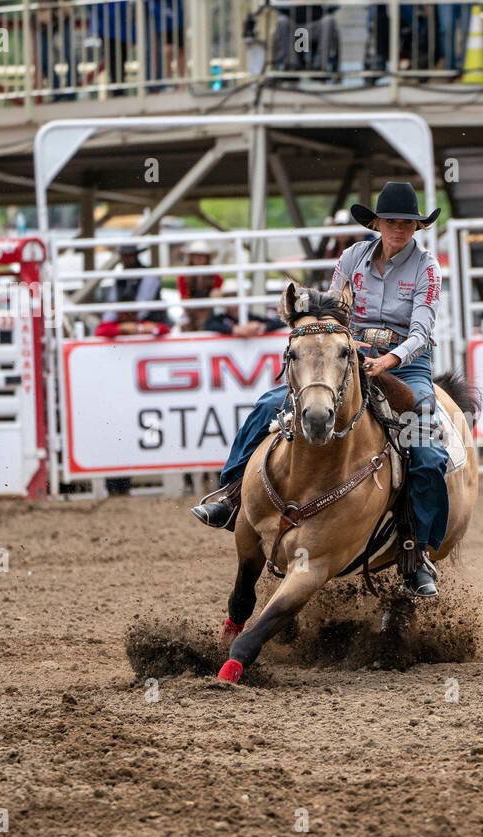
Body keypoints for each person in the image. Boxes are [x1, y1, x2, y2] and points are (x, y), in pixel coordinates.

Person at [192, 181, 448, 598]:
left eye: (407, 223)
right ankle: (232, 493)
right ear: (378, 223)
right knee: (267, 407)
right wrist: (333, 339)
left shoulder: (427, 269)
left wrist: (388, 360)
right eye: (392, 221)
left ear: (417, 228)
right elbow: (336, 310)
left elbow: (422, 330)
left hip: (407, 366)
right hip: (346, 357)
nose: (399, 229)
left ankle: (416, 551)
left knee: (427, 451)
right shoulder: (352, 258)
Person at [100, 244, 166, 327]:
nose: (126, 259)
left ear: (135, 256)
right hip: (128, 324)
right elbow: (113, 302)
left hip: (149, 322)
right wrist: (108, 323)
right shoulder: (120, 278)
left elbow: (144, 304)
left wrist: (132, 324)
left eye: (129, 255)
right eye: (124, 256)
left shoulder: (149, 276)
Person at [204, 278, 288, 336]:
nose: (233, 300)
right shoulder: (219, 318)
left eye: (235, 295)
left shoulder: (251, 317)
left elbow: (280, 322)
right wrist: (234, 329)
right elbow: (208, 326)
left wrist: (262, 326)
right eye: (228, 296)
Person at [178, 239, 222, 328]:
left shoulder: (215, 277)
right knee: (184, 325)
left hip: (210, 312)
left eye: (202, 255)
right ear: (191, 258)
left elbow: (218, 295)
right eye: (195, 255)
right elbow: (184, 298)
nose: (199, 258)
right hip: (190, 313)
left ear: (207, 258)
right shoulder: (183, 277)